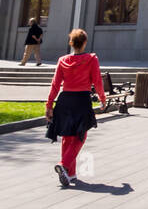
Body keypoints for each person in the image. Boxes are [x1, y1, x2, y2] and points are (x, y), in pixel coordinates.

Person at [45, 28, 107, 188]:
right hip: (81, 100)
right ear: (84, 42)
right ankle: (64, 165)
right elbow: (97, 81)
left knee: (67, 136)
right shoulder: (91, 59)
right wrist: (102, 98)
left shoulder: (62, 60)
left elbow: (55, 84)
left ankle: (70, 174)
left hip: (64, 100)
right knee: (80, 135)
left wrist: (49, 105)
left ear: (71, 43)